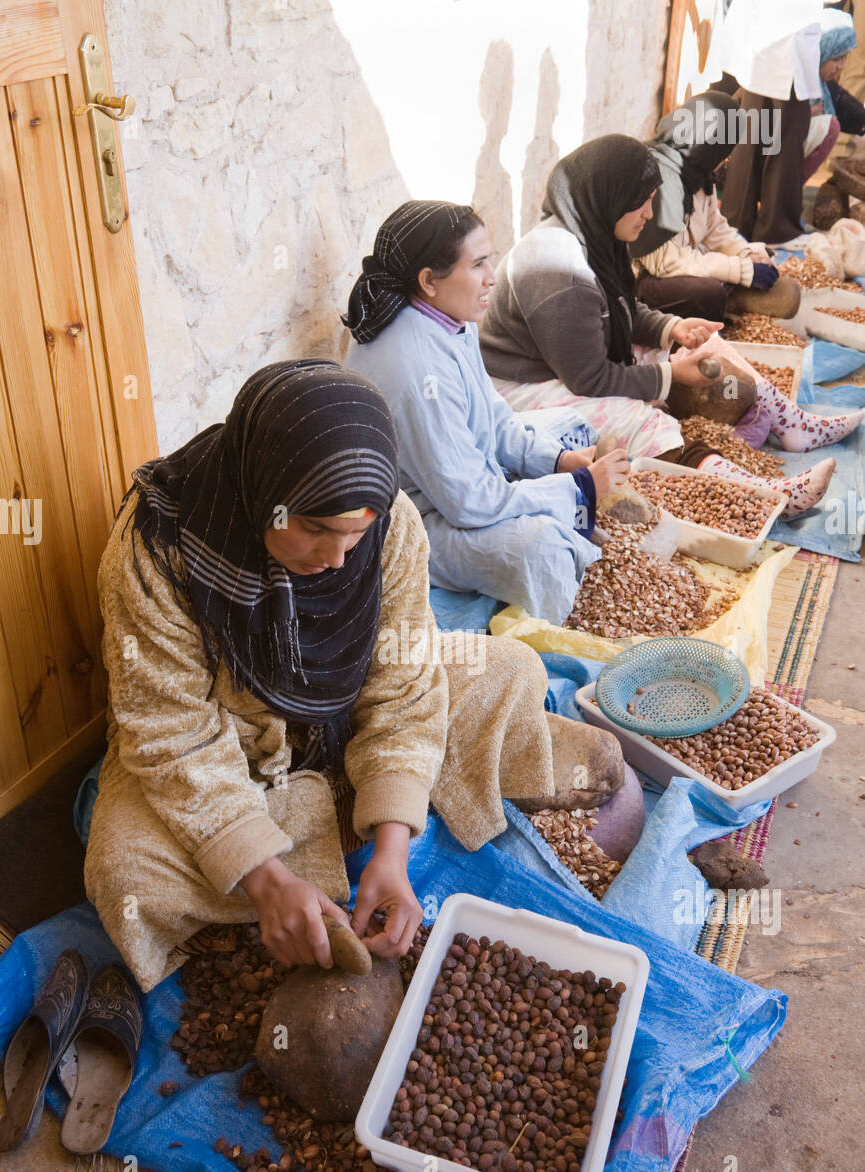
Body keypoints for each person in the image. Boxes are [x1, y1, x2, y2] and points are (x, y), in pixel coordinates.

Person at [83, 361, 622, 992]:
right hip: (238, 755)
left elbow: (403, 683)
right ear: (266, 491)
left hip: (348, 716)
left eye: (353, 536)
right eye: (314, 529)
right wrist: (263, 876)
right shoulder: (157, 547)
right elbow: (170, 731)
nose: (337, 558)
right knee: (124, 870)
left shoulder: (389, 522)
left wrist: (392, 850)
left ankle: (377, 818)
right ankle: (439, 790)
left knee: (509, 667)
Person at [343, 200, 630, 626]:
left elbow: (493, 416)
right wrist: (578, 487)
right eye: (478, 265)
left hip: (460, 482)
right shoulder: (416, 367)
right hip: (418, 521)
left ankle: (569, 497)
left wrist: (562, 463)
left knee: (571, 429)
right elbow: (467, 502)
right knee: (543, 549)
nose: (492, 277)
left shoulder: (446, 316)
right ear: (429, 280)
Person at [478, 135, 724, 448]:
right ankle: (734, 480)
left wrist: (672, 327)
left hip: (569, 368)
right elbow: (590, 378)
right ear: (611, 195)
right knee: (650, 427)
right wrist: (670, 375)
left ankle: (779, 418)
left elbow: (618, 310)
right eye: (642, 201)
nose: (649, 213)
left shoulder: (595, 235)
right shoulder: (560, 271)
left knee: (702, 350)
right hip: (521, 386)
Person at [630, 93, 781, 320]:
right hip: (643, 282)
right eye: (725, 150)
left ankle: (726, 299)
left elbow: (715, 229)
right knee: (708, 293)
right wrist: (739, 270)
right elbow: (666, 264)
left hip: (683, 265)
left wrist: (746, 253)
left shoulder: (697, 175)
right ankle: (720, 302)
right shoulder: (659, 179)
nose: (725, 158)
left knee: (785, 293)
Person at [712, 0, 823, 244]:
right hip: (785, 36)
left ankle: (736, 224)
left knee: (751, 134)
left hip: (761, 39)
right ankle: (777, 227)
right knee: (786, 136)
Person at [803, 9, 865, 183]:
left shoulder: (823, 83)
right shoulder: (796, 80)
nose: (842, 66)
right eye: (837, 59)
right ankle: (837, 157)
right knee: (831, 127)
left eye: (845, 58)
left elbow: (841, 100)